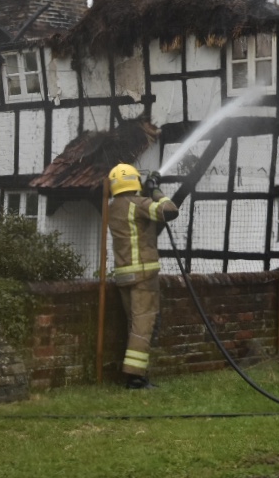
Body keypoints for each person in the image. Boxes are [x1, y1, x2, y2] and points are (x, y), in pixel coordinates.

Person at [106, 163, 178, 389]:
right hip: (144, 276)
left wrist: (147, 191)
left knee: (134, 324)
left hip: (124, 275)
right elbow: (169, 210)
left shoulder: (114, 207)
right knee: (143, 324)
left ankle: (136, 374)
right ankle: (135, 378)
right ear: (133, 181)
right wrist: (155, 189)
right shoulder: (138, 204)